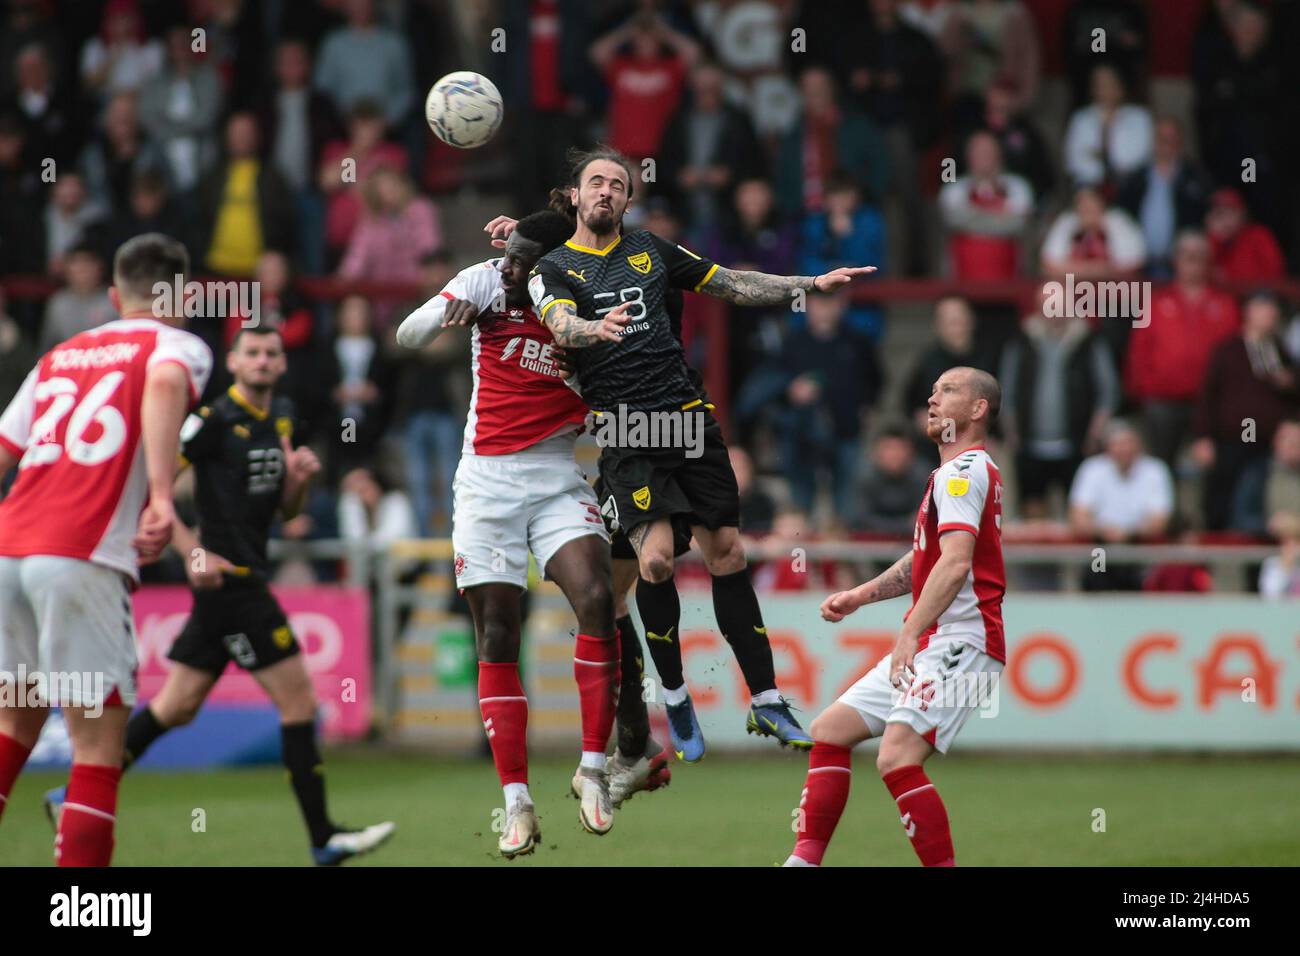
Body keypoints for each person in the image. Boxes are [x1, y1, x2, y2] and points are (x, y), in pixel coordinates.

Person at [522, 145, 876, 762]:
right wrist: (589, 330)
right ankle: (677, 697)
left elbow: (732, 283)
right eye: (596, 182)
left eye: (618, 185)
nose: (607, 191)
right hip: (628, 431)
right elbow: (557, 323)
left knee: (728, 551)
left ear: (628, 200)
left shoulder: (652, 250)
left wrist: (809, 283)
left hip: (688, 423)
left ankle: (766, 699)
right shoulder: (554, 268)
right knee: (656, 561)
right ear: (574, 196)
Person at [43, 324, 395, 865]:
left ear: (280, 364)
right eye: (251, 352)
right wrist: (190, 550)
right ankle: (323, 837)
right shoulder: (209, 422)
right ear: (233, 363)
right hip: (233, 585)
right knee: (298, 701)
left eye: (271, 354)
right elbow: (147, 491)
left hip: (240, 579)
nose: (261, 361)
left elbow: (289, 513)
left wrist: (297, 481)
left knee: (176, 706)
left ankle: (71, 797)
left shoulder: (280, 418)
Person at [396, 210, 622, 853]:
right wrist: (449, 311)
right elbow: (407, 335)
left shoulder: (590, 303)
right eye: (511, 259)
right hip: (486, 484)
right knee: (498, 632)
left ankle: (592, 771)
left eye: (527, 263)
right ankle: (516, 802)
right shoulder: (485, 281)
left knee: (598, 600)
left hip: (556, 477)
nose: (514, 271)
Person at [0, 233, 213, 867]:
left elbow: (6, 449)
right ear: (186, 294)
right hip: (79, 557)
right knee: (96, 748)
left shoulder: (60, 354)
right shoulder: (177, 345)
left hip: (10, 553)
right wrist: (160, 496)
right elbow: (167, 381)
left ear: (116, 295)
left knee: (14, 726)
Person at [783, 367, 1006, 867]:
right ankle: (802, 862)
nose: (932, 398)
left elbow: (955, 563)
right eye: (931, 390)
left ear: (978, 409)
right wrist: (861, 595)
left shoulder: (964, 471)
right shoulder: (953, 474)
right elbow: (927, 559)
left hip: (963, 639)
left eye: (947, 390)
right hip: (937, 638)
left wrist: (908, 632)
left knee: (896, 757)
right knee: (829, 730)